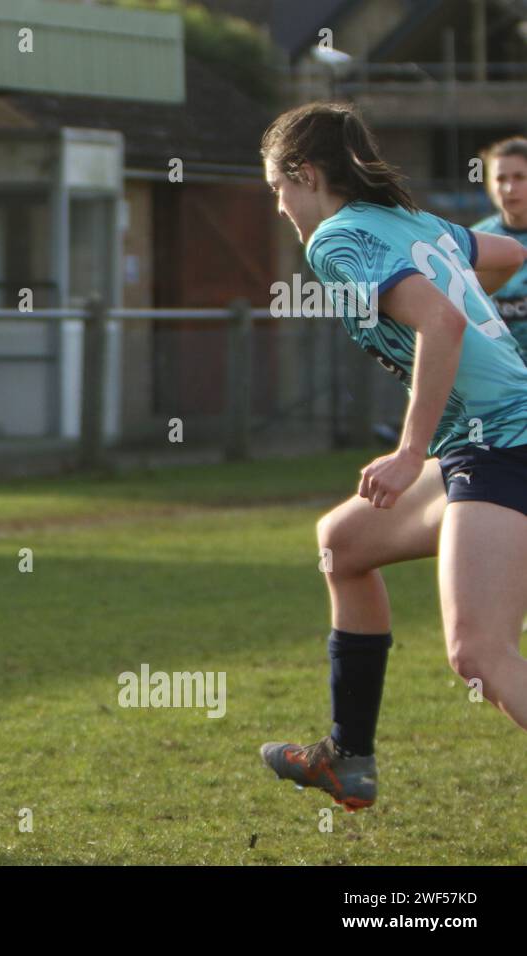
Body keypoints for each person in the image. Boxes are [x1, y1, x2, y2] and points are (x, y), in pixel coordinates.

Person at [257, 102, 527, 810]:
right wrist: (469, 318)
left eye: (277, 189)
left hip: (503, 441)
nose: (279, 206)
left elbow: (439, 319)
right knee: (342, 544)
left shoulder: (335, 238)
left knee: (479, 655)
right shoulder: (410, 223)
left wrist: (410, 451)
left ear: (304, 174)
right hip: (490, 441)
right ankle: (348, 757)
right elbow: (506, 255)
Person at [471, 137, 527, 359]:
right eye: (501, 178)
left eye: (520, 177)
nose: (509, 188)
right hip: (498, 372)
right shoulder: (474, 241)